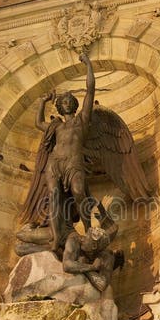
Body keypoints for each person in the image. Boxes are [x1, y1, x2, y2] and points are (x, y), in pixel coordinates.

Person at [21, 52, 100, 254]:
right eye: (63, 101)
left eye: (69, 100)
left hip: (74, 163)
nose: (66, 102)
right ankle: (56, 239)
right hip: (55, 164)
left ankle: (89, 231)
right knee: (54, 197)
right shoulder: (56, 126)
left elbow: (90, 89)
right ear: (59, 106)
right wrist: (43, 101)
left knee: (79, 192)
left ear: (74, 104)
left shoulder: (82, 120)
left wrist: (88, 64)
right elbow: (38, 123)